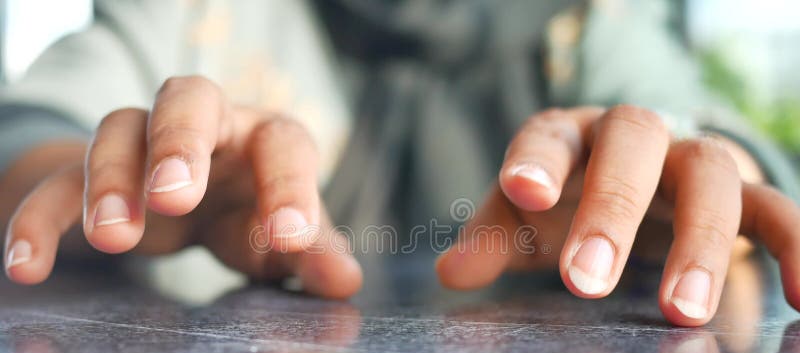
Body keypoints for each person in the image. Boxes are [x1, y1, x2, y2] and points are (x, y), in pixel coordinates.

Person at [1, 0, 799, 327]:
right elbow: (39, 125)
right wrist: (103, 180)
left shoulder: (594, 16)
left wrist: (699, 186)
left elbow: (691, 121)